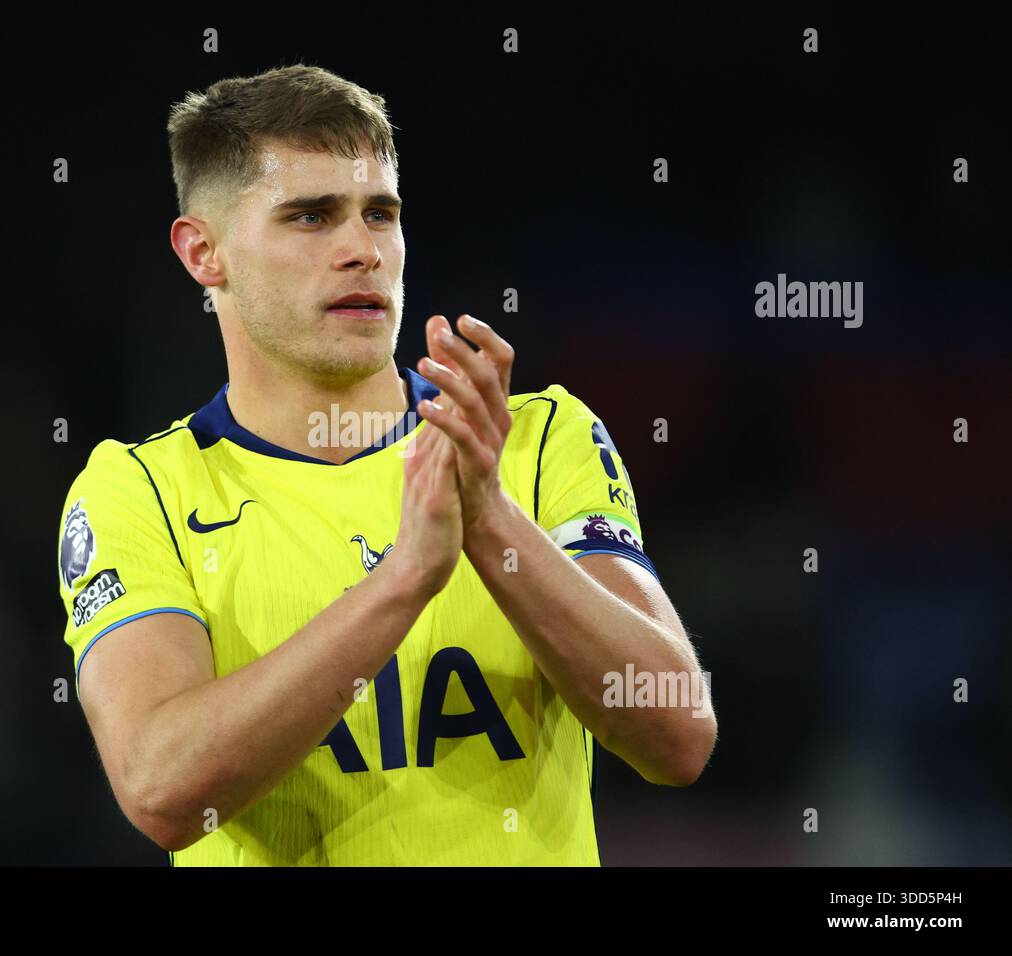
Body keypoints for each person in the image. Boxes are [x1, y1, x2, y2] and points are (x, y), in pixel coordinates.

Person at [56, 64, 716, 865]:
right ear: (204, 253)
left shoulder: (535, 441)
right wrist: (403, 581)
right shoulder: (142, 492)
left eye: (380, 213)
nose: (362, 250)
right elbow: (162, 790)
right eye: (311, 216)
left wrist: (493, 521)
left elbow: (677, 736)